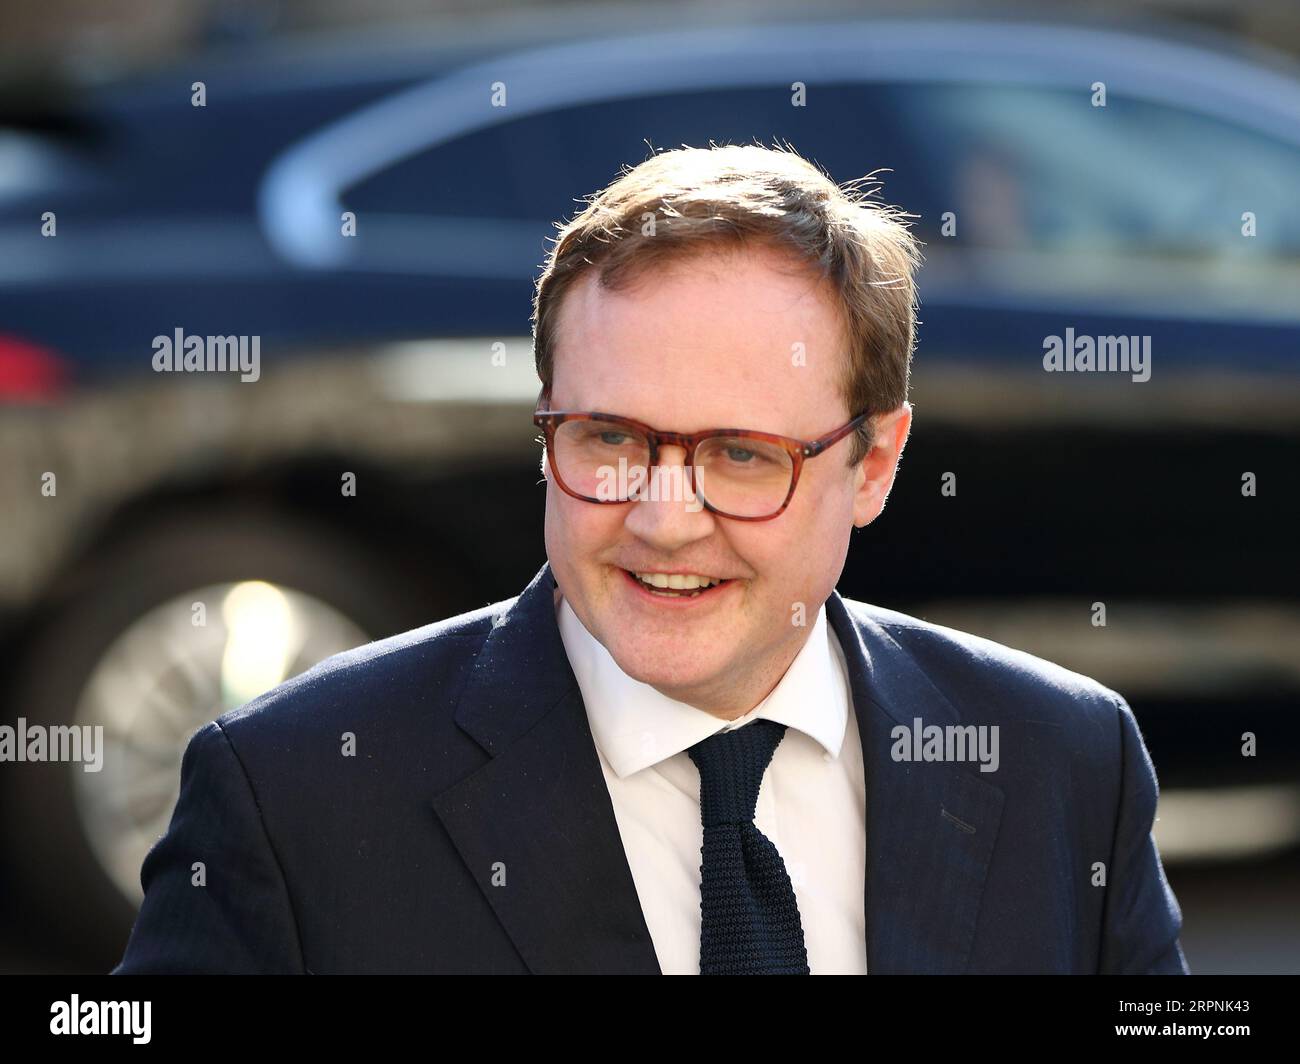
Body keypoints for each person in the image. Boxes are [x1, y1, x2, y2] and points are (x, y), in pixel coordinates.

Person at [113, 143, 1188, 975]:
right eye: (611, 439)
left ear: (874, 463)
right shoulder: (293, 794)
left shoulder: (1063, 761)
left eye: (738, 453)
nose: (663, 518)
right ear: (544, 426)